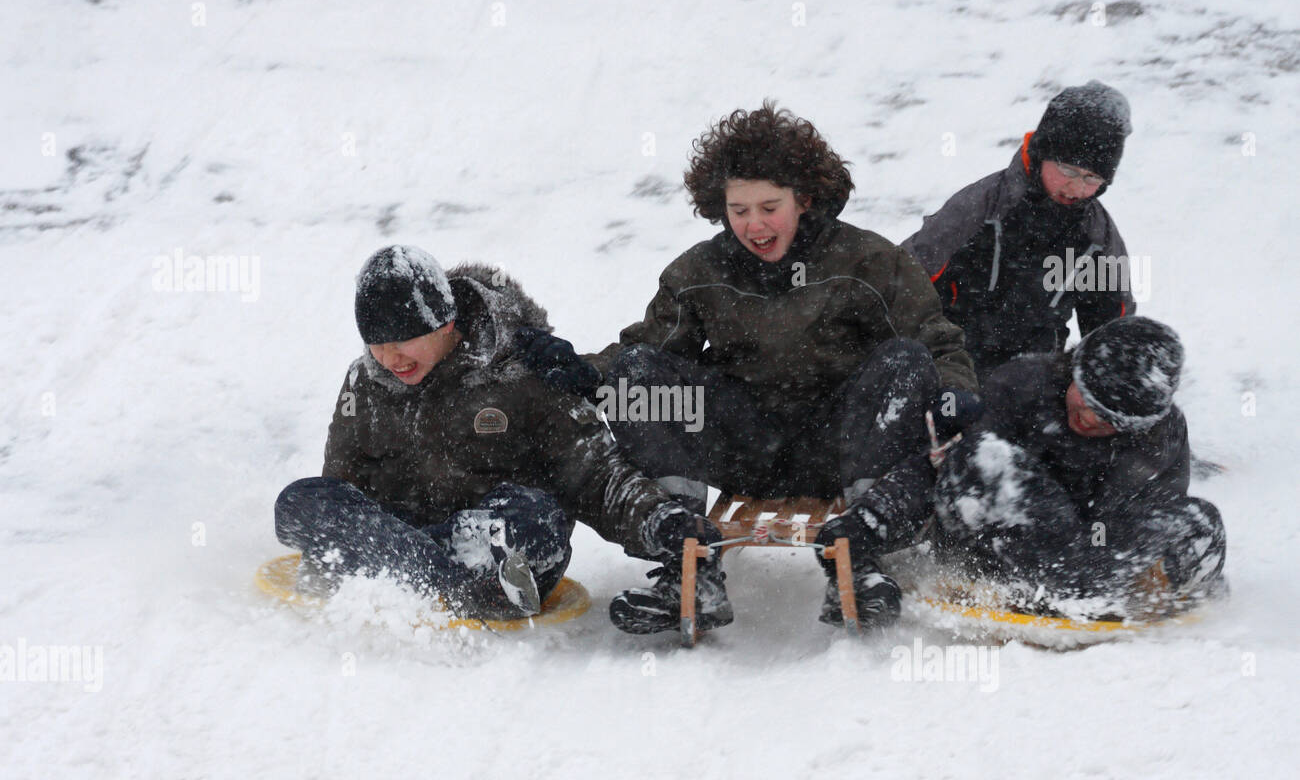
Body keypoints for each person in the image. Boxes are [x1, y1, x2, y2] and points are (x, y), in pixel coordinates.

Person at [515, 102, 980, 629]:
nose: (754, 224)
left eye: (769, 206)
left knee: (905, 359)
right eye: (739, 210)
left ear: (804, 198)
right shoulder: (699, 272)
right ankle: (687, 561)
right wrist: (587, 373)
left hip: (842, 445)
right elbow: (648, 350)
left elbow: (936, 344)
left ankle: (861, 554)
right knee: (640, 373)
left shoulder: (869, 261)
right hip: (744, 443)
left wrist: (956, 391)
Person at [273, 245, 732, 633]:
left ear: (447, 322)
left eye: (405, 339)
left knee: (536, 519)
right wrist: (347, 526)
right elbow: (343, 490)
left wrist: (662, 521)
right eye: (376, 343)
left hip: (496, 541)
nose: (391, 357)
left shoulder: (521, 372)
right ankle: (448, 583)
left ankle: (407, 573)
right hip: (415, 541)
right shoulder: (365, 383)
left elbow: (597, 478)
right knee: (299, 502)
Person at [825, 317, 1227, 610]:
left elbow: (1150, 515)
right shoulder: (1022, 386)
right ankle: (1053, 586)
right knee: (984, 456)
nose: (1087, 418)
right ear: (1075, 371)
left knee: (1200, 521)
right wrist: (867, 524)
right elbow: (944, 467)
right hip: (998, 546)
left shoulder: (1161, 437)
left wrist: (1159, 562)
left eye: (1107, 420)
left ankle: (1095, 589)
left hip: (1089, 558)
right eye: (1085, 399)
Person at [902, 81, 1136, 380]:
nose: (1077, 187)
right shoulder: (981, 209)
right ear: (1041, 154)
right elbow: (906, 280)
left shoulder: (1096, 239)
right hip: (951, 361)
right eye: (1068, 170)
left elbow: (1112, 329)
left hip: (1033, 376)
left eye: (1092, 178)